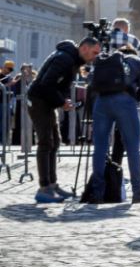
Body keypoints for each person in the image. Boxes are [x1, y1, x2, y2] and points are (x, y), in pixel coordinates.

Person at [27, 38, 101, 203]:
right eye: (94, 52)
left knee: (55, 142)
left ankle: (52, 185)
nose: (95, 57)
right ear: (84, 48)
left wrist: (64, 100)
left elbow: (63, 85)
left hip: (46, 101)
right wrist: (61, 102)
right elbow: (47, 83)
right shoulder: (64, 59)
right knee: (46, 142)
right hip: (38, 100)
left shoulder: (73, 60)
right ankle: (44, 187)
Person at [89, 45, 140, 203]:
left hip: (101, 101)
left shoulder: (105, 62)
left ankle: (97, 192)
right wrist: (134, 99)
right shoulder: (139, 61)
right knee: (133, 148)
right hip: (125, 101)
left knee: (100, 147)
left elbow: (91, 82)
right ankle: (138, 191)